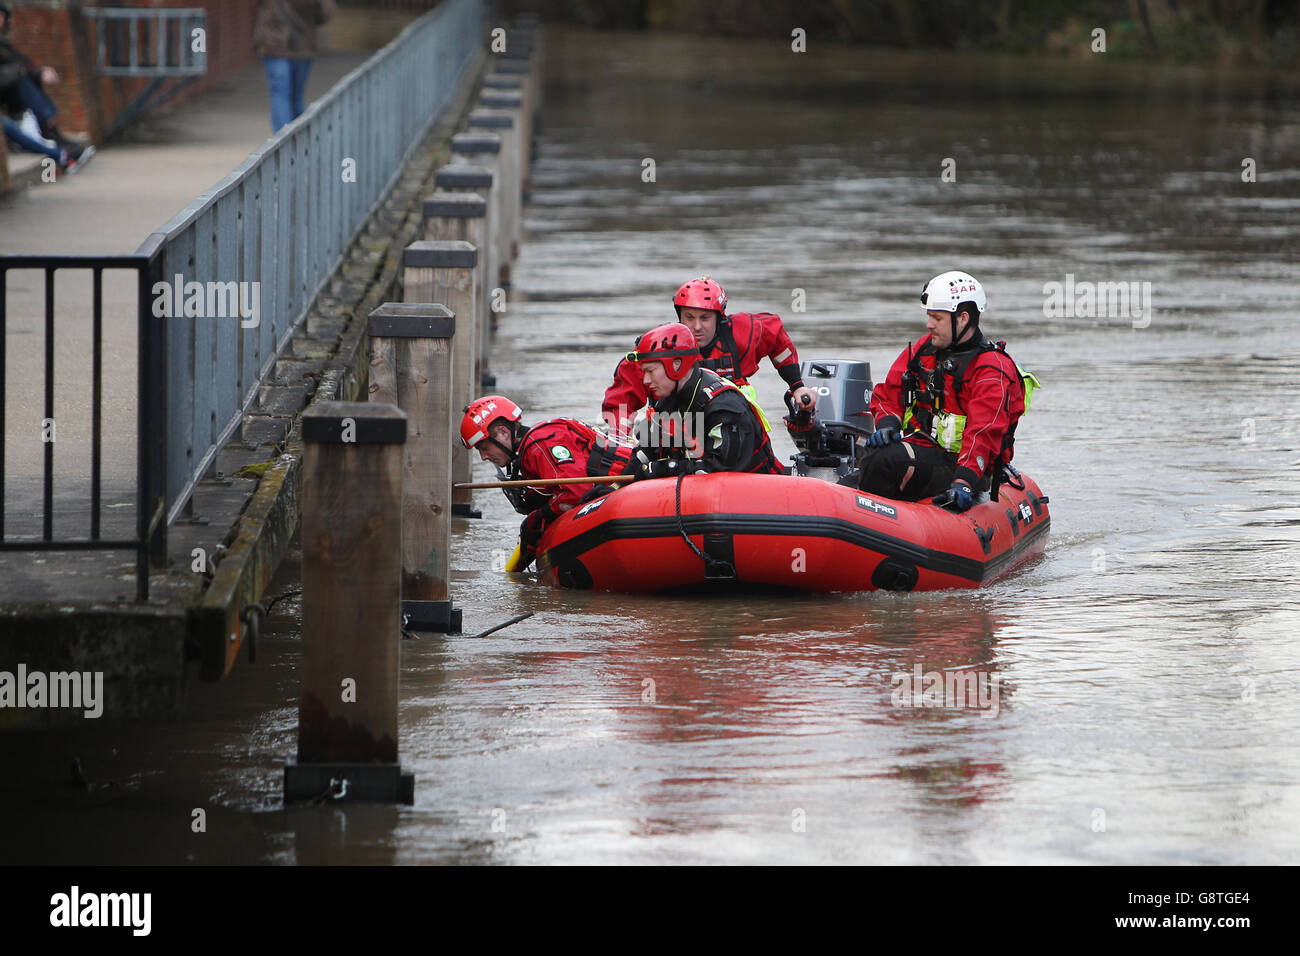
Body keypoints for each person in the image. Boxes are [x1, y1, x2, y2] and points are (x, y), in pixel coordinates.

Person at [859, 271, 1036, 512]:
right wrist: (887, 425)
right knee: (869, 455)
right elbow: (887, 395)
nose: (928, 324)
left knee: (886, 461)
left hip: (963, 468)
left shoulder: (992, 368)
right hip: (921, 450)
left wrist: (963, 481)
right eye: (929, 316)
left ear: (962, 318)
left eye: (937, 318)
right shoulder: (924, 349)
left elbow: (983, 434)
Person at [602, 275, 815, 434]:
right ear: (679, 317)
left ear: (718, 317)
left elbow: (776, 337)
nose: (697, 327)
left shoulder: (742, 333)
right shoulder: (657, 347)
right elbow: (622, 396)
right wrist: (621, 433)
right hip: (676, 441)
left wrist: (796, 385)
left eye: (705, 318)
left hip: (738, 434)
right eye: (689, 317)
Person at [460, 395, 641, 567]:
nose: (483, 457)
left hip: (634, 489)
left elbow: (577, 492)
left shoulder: (538, 444)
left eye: (484, 448)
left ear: (503, 432)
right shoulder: (532, 449)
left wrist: (538, 518)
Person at [628, 322, 782, 477]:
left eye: (650, 371)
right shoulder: (667, 402)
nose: (646, 380)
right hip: (699, 493)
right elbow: (644, 453)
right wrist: (615, 488)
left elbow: (717, 470)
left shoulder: (725, 406)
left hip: (759, 491)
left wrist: (667, 467)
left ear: (676, 365)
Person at [1, 2, 95, 172]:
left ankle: (52, 134)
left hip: (11, 93)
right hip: (8, 95)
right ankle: (55, 147)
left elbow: (21, 61)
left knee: (25, 79)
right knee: (21, 81)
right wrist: (22, 71)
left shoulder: (4, 45)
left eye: (1, 16)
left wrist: (37, 72)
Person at [253, 0, 334, 133]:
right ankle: (298, 143)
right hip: (301, 43)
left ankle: (284, 141)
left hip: (274, 41)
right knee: (295, 97)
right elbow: (324, 14)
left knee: (280, 95)